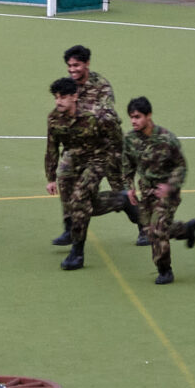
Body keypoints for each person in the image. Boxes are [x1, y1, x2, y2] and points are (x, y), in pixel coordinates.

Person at [44, 76, 128, 269]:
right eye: (56, 97)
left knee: (80, 198)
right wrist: (51, 177)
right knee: (71, 197)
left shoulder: (96, 115)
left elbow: (117, 139)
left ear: (74, 96)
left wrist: (117, 165)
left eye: (63, 97)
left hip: (99, 158)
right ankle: (120, 201)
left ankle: (77, 253)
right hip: (74, 157)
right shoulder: (54, 118)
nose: (59, 101)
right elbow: (52, 148)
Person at [122, 96, 195, 284]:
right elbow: (127, 166)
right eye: (131, 117)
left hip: (167, 193)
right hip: (146, 192)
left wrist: (169, 186)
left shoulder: (166, 138)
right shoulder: (130, 139)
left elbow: (181, 167)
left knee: (157, 230)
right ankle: (185, 230)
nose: (133, 121)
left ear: (149, 116)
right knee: (151, 231)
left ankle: (165, 270)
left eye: (138, 117)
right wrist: (129, 188)